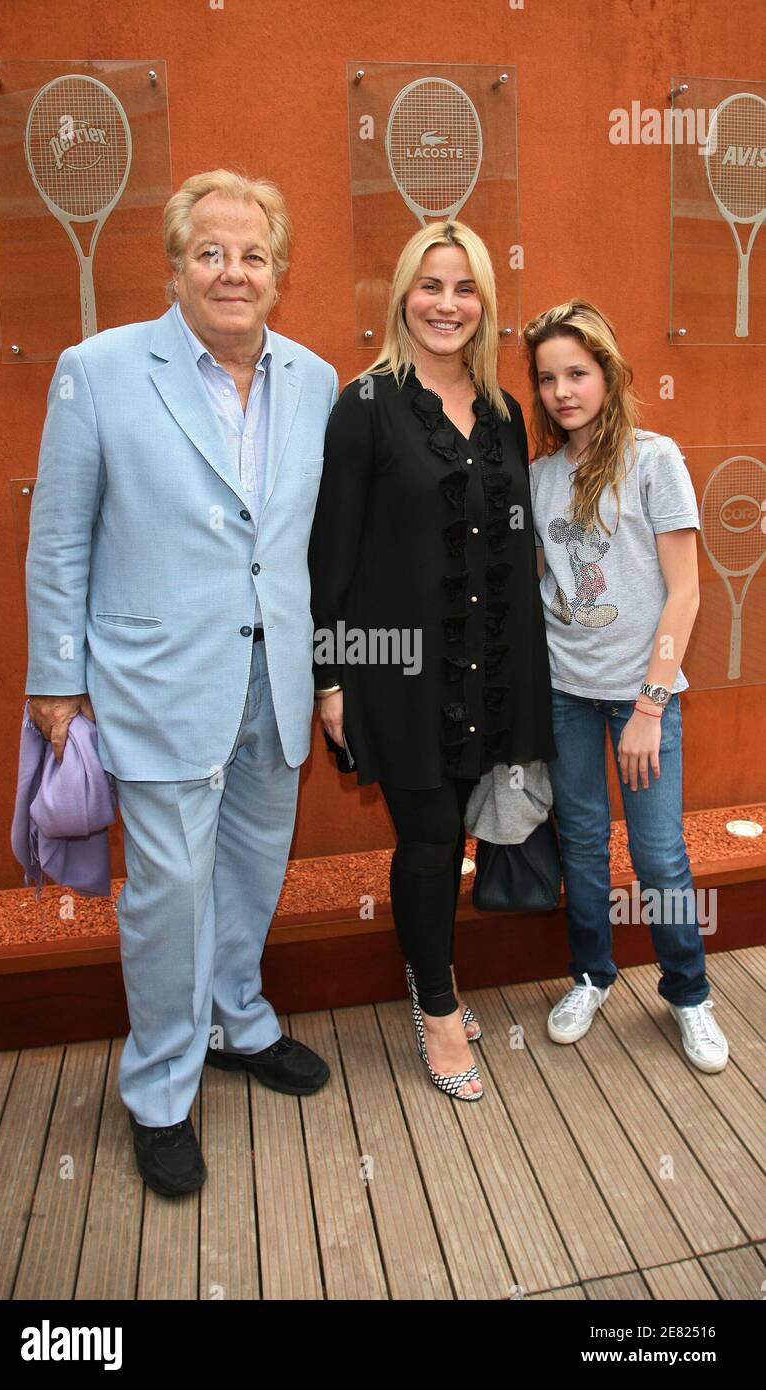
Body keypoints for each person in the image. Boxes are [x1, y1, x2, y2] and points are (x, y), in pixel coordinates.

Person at [24, 169, 339, 1197]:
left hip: (272, 680)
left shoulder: (316, 378)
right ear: (174, 265)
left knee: (252, 868)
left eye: (252, 255)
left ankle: (237, 1022)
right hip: (155, 682)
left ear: (279, 273)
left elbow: (305, 544)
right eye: (210, 252)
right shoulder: (98, 369)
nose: (232, 272)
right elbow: (60, 536)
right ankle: (159, 1087)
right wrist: (55, 682)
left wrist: (332, 665)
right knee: (166, 894)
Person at [309, 221, 556, 1101]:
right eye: (430, 285)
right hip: (397, 671)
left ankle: (430, 975)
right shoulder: (364, 405)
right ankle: (439, 1010)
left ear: (484, 302)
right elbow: (329, 554)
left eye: (464, 288)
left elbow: (515, 549)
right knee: (426, 837)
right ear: (402, 297)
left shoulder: (503, 412)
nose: (446, 304)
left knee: (458, 830)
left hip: (490, 667)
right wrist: (331, 679)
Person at [522, 298, 728, 1072]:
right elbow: (537, 583)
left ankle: (687, 993)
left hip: (643, 698)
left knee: (657, 855)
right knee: (578, 844)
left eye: (576, 373)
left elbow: (685, 592)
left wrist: (650, 704)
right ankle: (588, 974)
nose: (561, 391)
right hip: (565, 693)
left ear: (607, 374)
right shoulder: (540, 476)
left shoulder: (655, 458)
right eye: (546, 379)